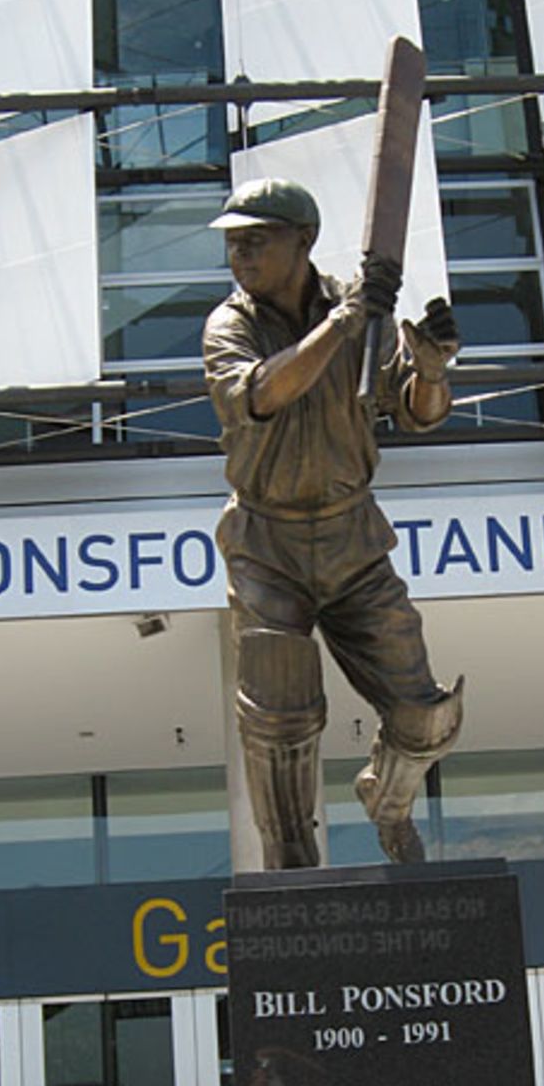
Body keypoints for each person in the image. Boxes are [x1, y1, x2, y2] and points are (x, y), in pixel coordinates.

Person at [203, 176, 463, 869]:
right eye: (233, 244)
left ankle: (390, 801)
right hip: (268, 545)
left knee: (425, 715)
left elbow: (415, 411)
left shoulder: (360, 309)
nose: (241, 256)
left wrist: (432, 372)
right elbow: (262, 392)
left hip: (353, 540)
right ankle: (293, 873)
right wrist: (343, 322)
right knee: (278, 721)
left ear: (303, 240)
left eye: (255, 241)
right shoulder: (232, 324)